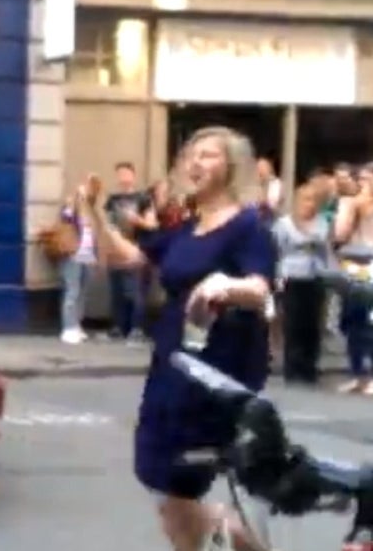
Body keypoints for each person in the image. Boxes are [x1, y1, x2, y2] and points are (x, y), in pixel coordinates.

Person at [81, 126, 275, 551]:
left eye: (208, 155)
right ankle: (226, 528)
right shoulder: (186, 229)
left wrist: (225, 284)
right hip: (173, 363)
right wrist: (93, 210)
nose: (195, 162)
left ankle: (237, 533)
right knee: (159, 475)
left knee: (181, 480)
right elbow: (123, 257)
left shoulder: (247, 225)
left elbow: (260, 288)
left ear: (231, 166)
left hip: (217, 373)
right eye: (192, 155)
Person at [272, 184, 331, 386]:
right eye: (306, 199)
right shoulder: (284, 224)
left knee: (312, 325)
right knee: (293, 324)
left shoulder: (321, 222)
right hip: (291, 277)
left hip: (315, 276)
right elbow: (277, 250)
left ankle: (309, 368)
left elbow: (324, 249)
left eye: (313, 200)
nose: (310, 204)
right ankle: (293, 369)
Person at [333, 163, 373, 394]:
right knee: (351, 320)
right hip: (354, 259)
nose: (365, 185)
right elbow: (340, 234)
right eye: (363, 180)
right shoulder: (351, 203)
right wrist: (350, 207)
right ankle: (358, 373)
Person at [103, 161, 152, 343]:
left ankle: (136, 329)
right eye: (119, 174)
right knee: (117, 292)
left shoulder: (143, 198)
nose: (123, 177)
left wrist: (136, 219)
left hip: (136, 249)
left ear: (133, 176)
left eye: (126, 173)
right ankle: (118, 327)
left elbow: (151, 224)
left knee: (135, 291)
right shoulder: (112, 200)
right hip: (115, 251)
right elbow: (107, 224)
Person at [57, 193, 95, 345]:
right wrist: (72, 203)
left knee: (82, 291)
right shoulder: (70, 211)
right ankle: (68, 327)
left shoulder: (88, 214)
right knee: (72, 290)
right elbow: (65, 218)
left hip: (85, 254)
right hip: (71, 253)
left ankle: (77, 325)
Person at [256, 157, 282, 222]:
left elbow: (272, 204)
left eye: (262, 168)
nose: (259, 171)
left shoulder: (275, 183)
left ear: (268, 169)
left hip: (270, 217)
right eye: (258, 168)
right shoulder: (254, 183)